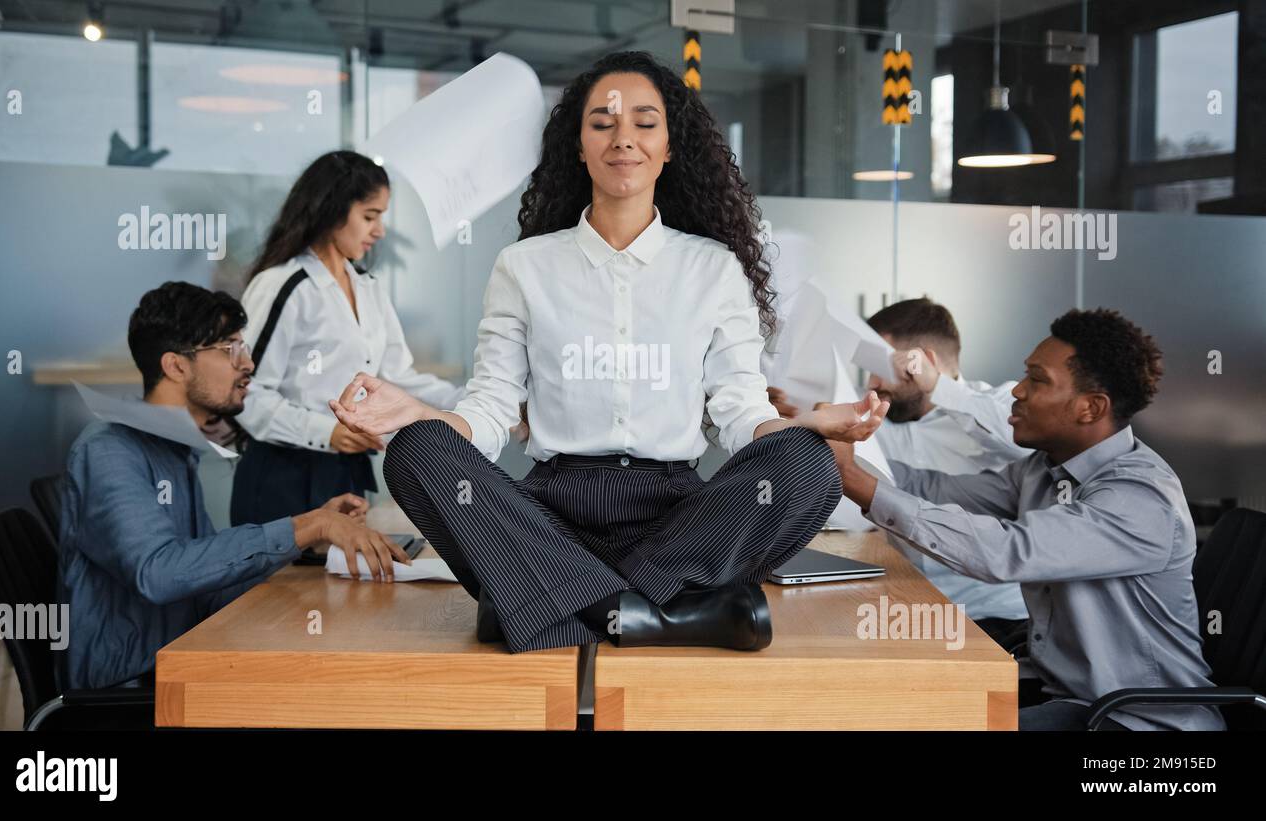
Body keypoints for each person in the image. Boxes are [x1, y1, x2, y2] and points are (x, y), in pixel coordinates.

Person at [329, 51, 888, 655]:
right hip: (548, 521)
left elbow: (741, 416)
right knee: (418, 452)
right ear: (579, 145)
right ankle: (658, 616)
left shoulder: (713, 270)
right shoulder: (524, 267)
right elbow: (488, 413)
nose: (624, 139)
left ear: (671, 147)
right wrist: (414, 414)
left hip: (677, 520)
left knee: (808, 464)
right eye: (603, 123)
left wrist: (806, 424)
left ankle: (548, 606)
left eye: (645, 123)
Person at [827, 308, 1223, 731]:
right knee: (897, 704)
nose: (1017, 390)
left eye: (1037, 380)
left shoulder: (1139, 499)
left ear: (1091, 407)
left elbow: (1006, 552)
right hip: (1064, 690)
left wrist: (859, 482)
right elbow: (932, 489)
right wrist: (840, 455)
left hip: (1136, 717)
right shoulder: (1043, 469)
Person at [58, 282, 408, 691]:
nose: (249, 365)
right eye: (230, 350)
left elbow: (201, 585)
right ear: (176, 366)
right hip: (129, 689)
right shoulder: (109, 451)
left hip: (177, 662)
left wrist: (302, 543)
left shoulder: (173, 449)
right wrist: (306, 526)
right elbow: (160, 573)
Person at [231, 150, 463, 527]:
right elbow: (246, 394)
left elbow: (396, 378)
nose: (380, 230)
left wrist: (473, 401)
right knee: (291, 589)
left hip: (347, 472)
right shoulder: (284, 285)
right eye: (370, 216)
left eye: (381, 217)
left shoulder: (368, 287)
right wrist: (328, 432)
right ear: (332, 210)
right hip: (285, 477)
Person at [863, 297, 1032, 648]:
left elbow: (1025, 444)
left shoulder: (1002, 405)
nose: (872, 382)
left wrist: (939, 387)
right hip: (911, 607)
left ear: (922, 361)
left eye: (878, 367)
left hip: (998, 617)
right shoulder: (882, 417)